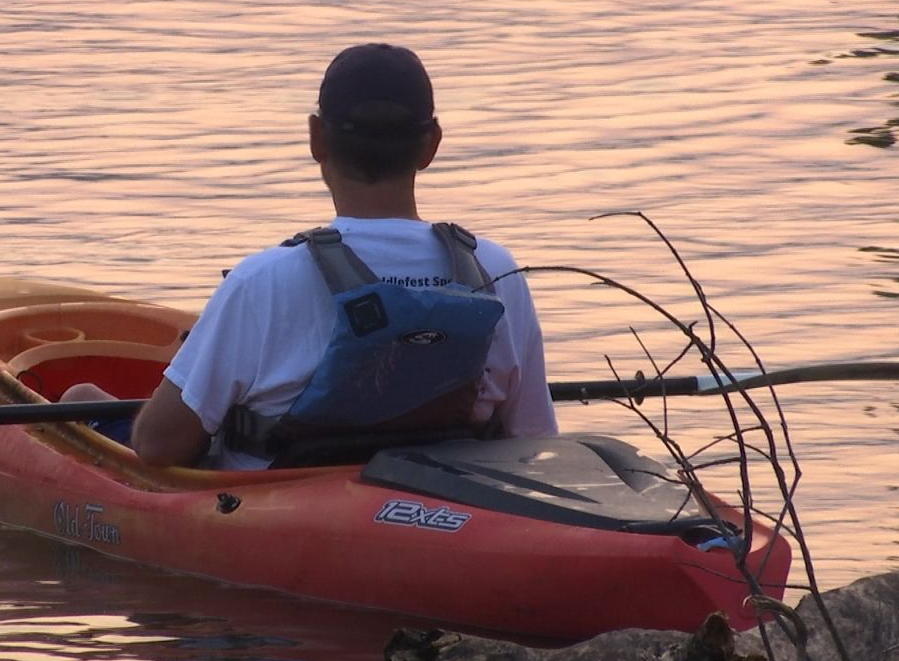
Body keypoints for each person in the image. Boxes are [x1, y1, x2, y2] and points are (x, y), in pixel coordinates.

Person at [71, 43, 557, 469]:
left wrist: (194, 367)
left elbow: (158, 446)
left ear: (316, 139)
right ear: (431, 145)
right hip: (440, 504)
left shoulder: (260, 281)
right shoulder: (496, 271)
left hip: (278, 509)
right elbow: (532, 442)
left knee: (80, 398)